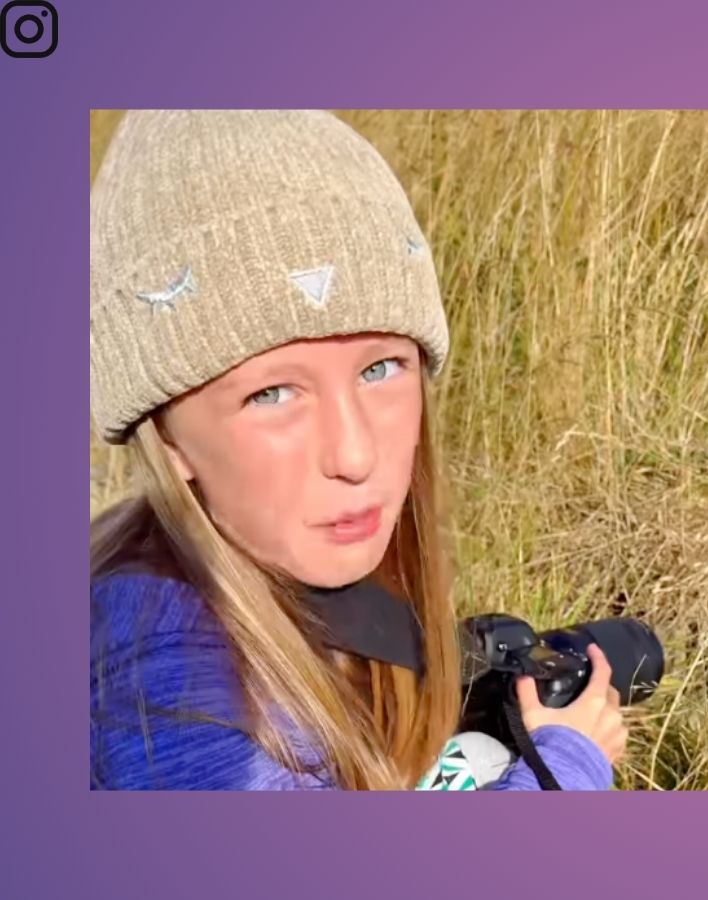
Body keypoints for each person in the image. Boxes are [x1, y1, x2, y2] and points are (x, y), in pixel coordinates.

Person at [89, 110, 626, 790]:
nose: (356, 454)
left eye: (381, 370)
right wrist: (566, 764)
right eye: (273, 394)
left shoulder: (289, 583)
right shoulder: (158, 693)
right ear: (165, 434)